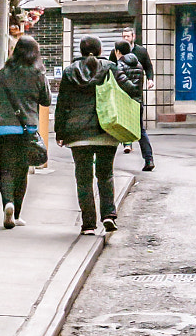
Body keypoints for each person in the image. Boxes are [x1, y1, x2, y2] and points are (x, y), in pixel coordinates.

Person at [0, 33, 51, 229]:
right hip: (27, 128)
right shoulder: (38, 73)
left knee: (7, 169)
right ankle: (16, 213)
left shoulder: (3, 74)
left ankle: (7, 203)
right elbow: (46, 100)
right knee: (22, 170)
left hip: (4, 128)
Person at [55, 34, 120, 235]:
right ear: (100, 50)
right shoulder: (111, 68)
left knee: (83, 178)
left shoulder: (69, 72)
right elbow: (121, 95)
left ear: (80, 51)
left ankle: (88, 224)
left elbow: (63, 103)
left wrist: (60, 131)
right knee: (105, 175)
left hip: (78, 132)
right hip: (106, 129)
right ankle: (108, 215)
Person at [115, 23, 156, 171]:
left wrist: (150, 79)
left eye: (128, 36)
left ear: (133, 37)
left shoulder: (141, 52)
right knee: (139, 128)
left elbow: (149, 67)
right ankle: (142, 154)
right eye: (124, 36)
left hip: (126, 97)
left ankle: (105, 163)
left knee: (116, 127)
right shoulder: (128, 60)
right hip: (136, 96)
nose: (126, 38)